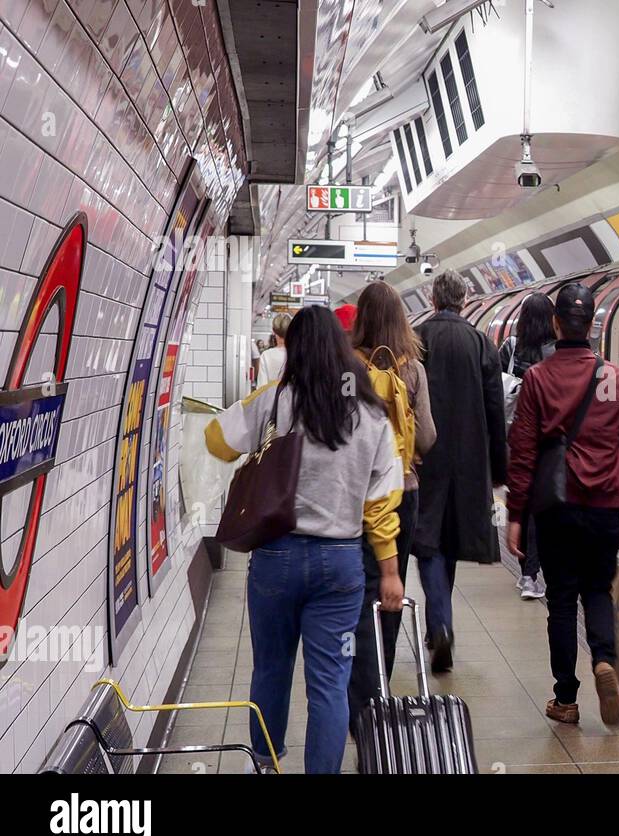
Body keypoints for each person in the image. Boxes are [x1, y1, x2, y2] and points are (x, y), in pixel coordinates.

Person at [205, 306, 404, 773]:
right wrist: (390, 570)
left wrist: (265, 418)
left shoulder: (276, 399)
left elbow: (216, 439)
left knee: (271, 670)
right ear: (340, 345)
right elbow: (381, 502)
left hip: (276, 559)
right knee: (330, 683)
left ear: (293, 348)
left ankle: (266, 764)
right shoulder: (371, 411)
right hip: (340, 566)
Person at [505, 282, 619, 726]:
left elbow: (524, 452)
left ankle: (566, 698)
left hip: (556, 505)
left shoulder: (538, 378)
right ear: (592, 324)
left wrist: (514, 515)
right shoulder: (615, 379)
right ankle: (604, 660)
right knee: (597, 590)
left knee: (562, 599)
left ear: (555, 323)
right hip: (606, 504)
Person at [346, 281, 437, 736]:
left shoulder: (347, 367)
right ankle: (379, 682)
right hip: (403, 491)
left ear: (360, 318)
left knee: (359, 591)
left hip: (353, 496)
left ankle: (358, 692)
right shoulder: (413, 369)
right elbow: (427, 439)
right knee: (391, 589)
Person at [414, 272, 508, 671]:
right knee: (447, 540)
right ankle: (440, 624)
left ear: (434, 299)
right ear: (464, 299)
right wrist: (498, 469)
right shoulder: (481, 342)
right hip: (469, 459)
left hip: (426, 456)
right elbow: (495, 409)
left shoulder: (417, 339)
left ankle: (440, 625)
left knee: (428, 541)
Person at [499, 291, 557, 600]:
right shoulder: (558, 351)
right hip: (552, 441)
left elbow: (496, 391)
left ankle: (528, 575)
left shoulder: (511, 347)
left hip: (519, 439)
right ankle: (550, 569)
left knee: (525, 505)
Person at [256, 314, 291, 387]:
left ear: (273, 331)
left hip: (271, 397)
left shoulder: (266, 355)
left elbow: (261, 387)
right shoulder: (299, 355)